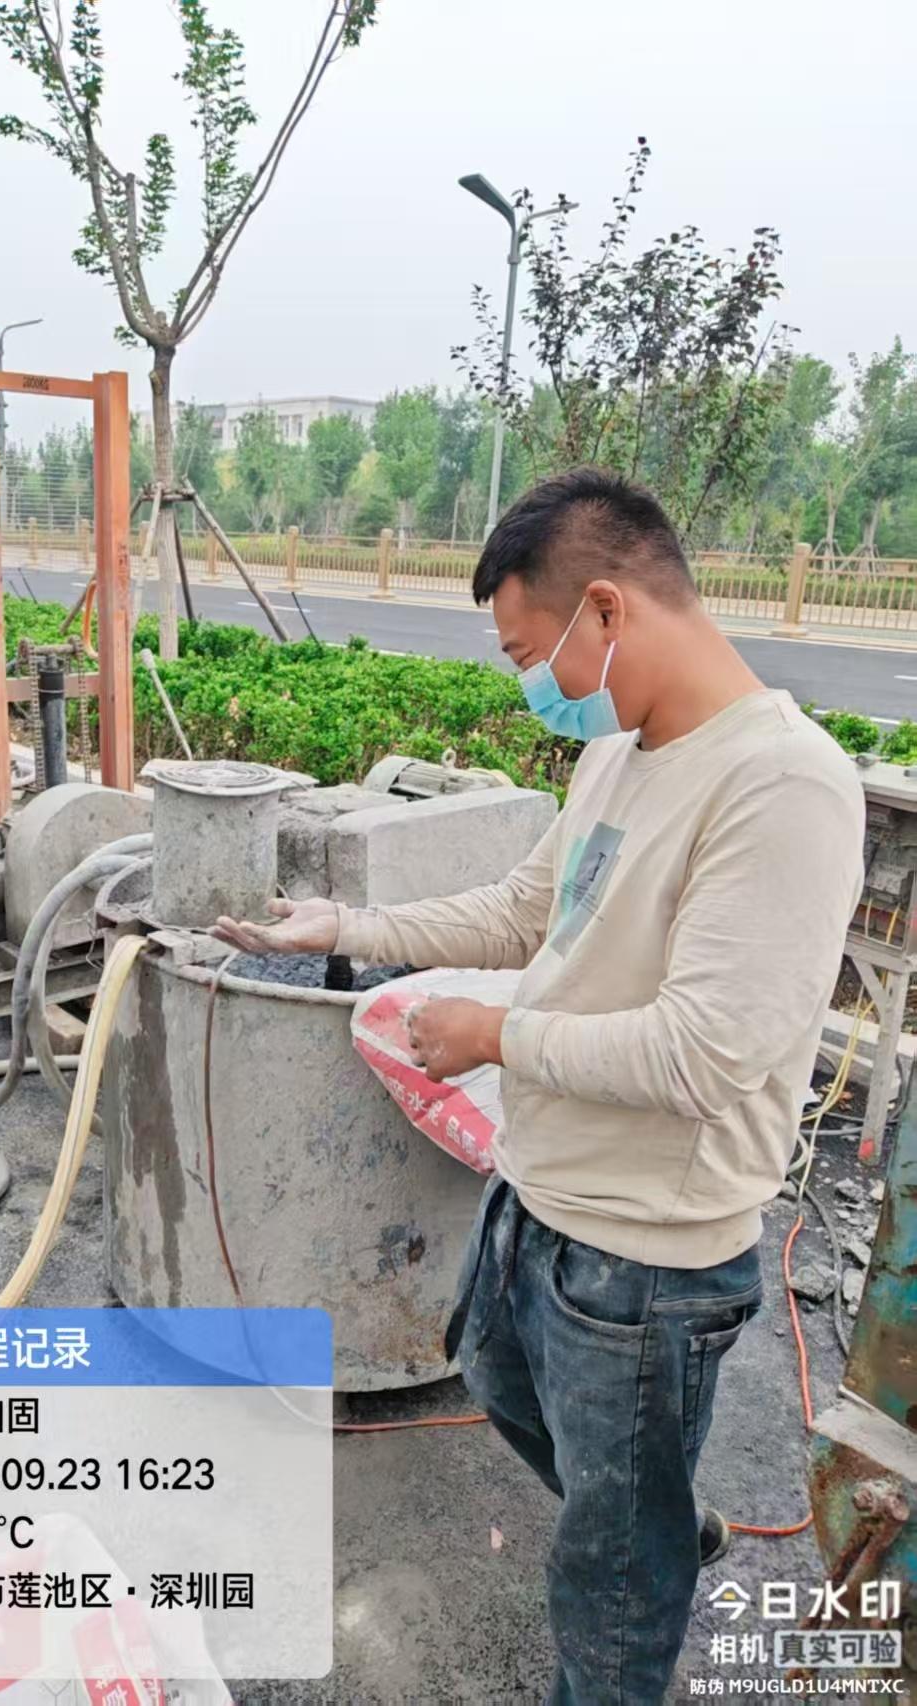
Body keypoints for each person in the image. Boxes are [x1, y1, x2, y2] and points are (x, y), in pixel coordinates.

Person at [213, 468, 864, 1705]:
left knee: (604, 1590)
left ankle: (640, 1556)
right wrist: (347, 925)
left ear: (606, 609)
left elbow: (704, 1053)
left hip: (645, 1257)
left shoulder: (780, 786)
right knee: (498, 1376)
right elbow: (527, 911)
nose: (533, 685)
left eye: (529, 652)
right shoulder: (620, 753)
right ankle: (659, 1521)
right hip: (538, 1197)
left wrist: (493, 1034)